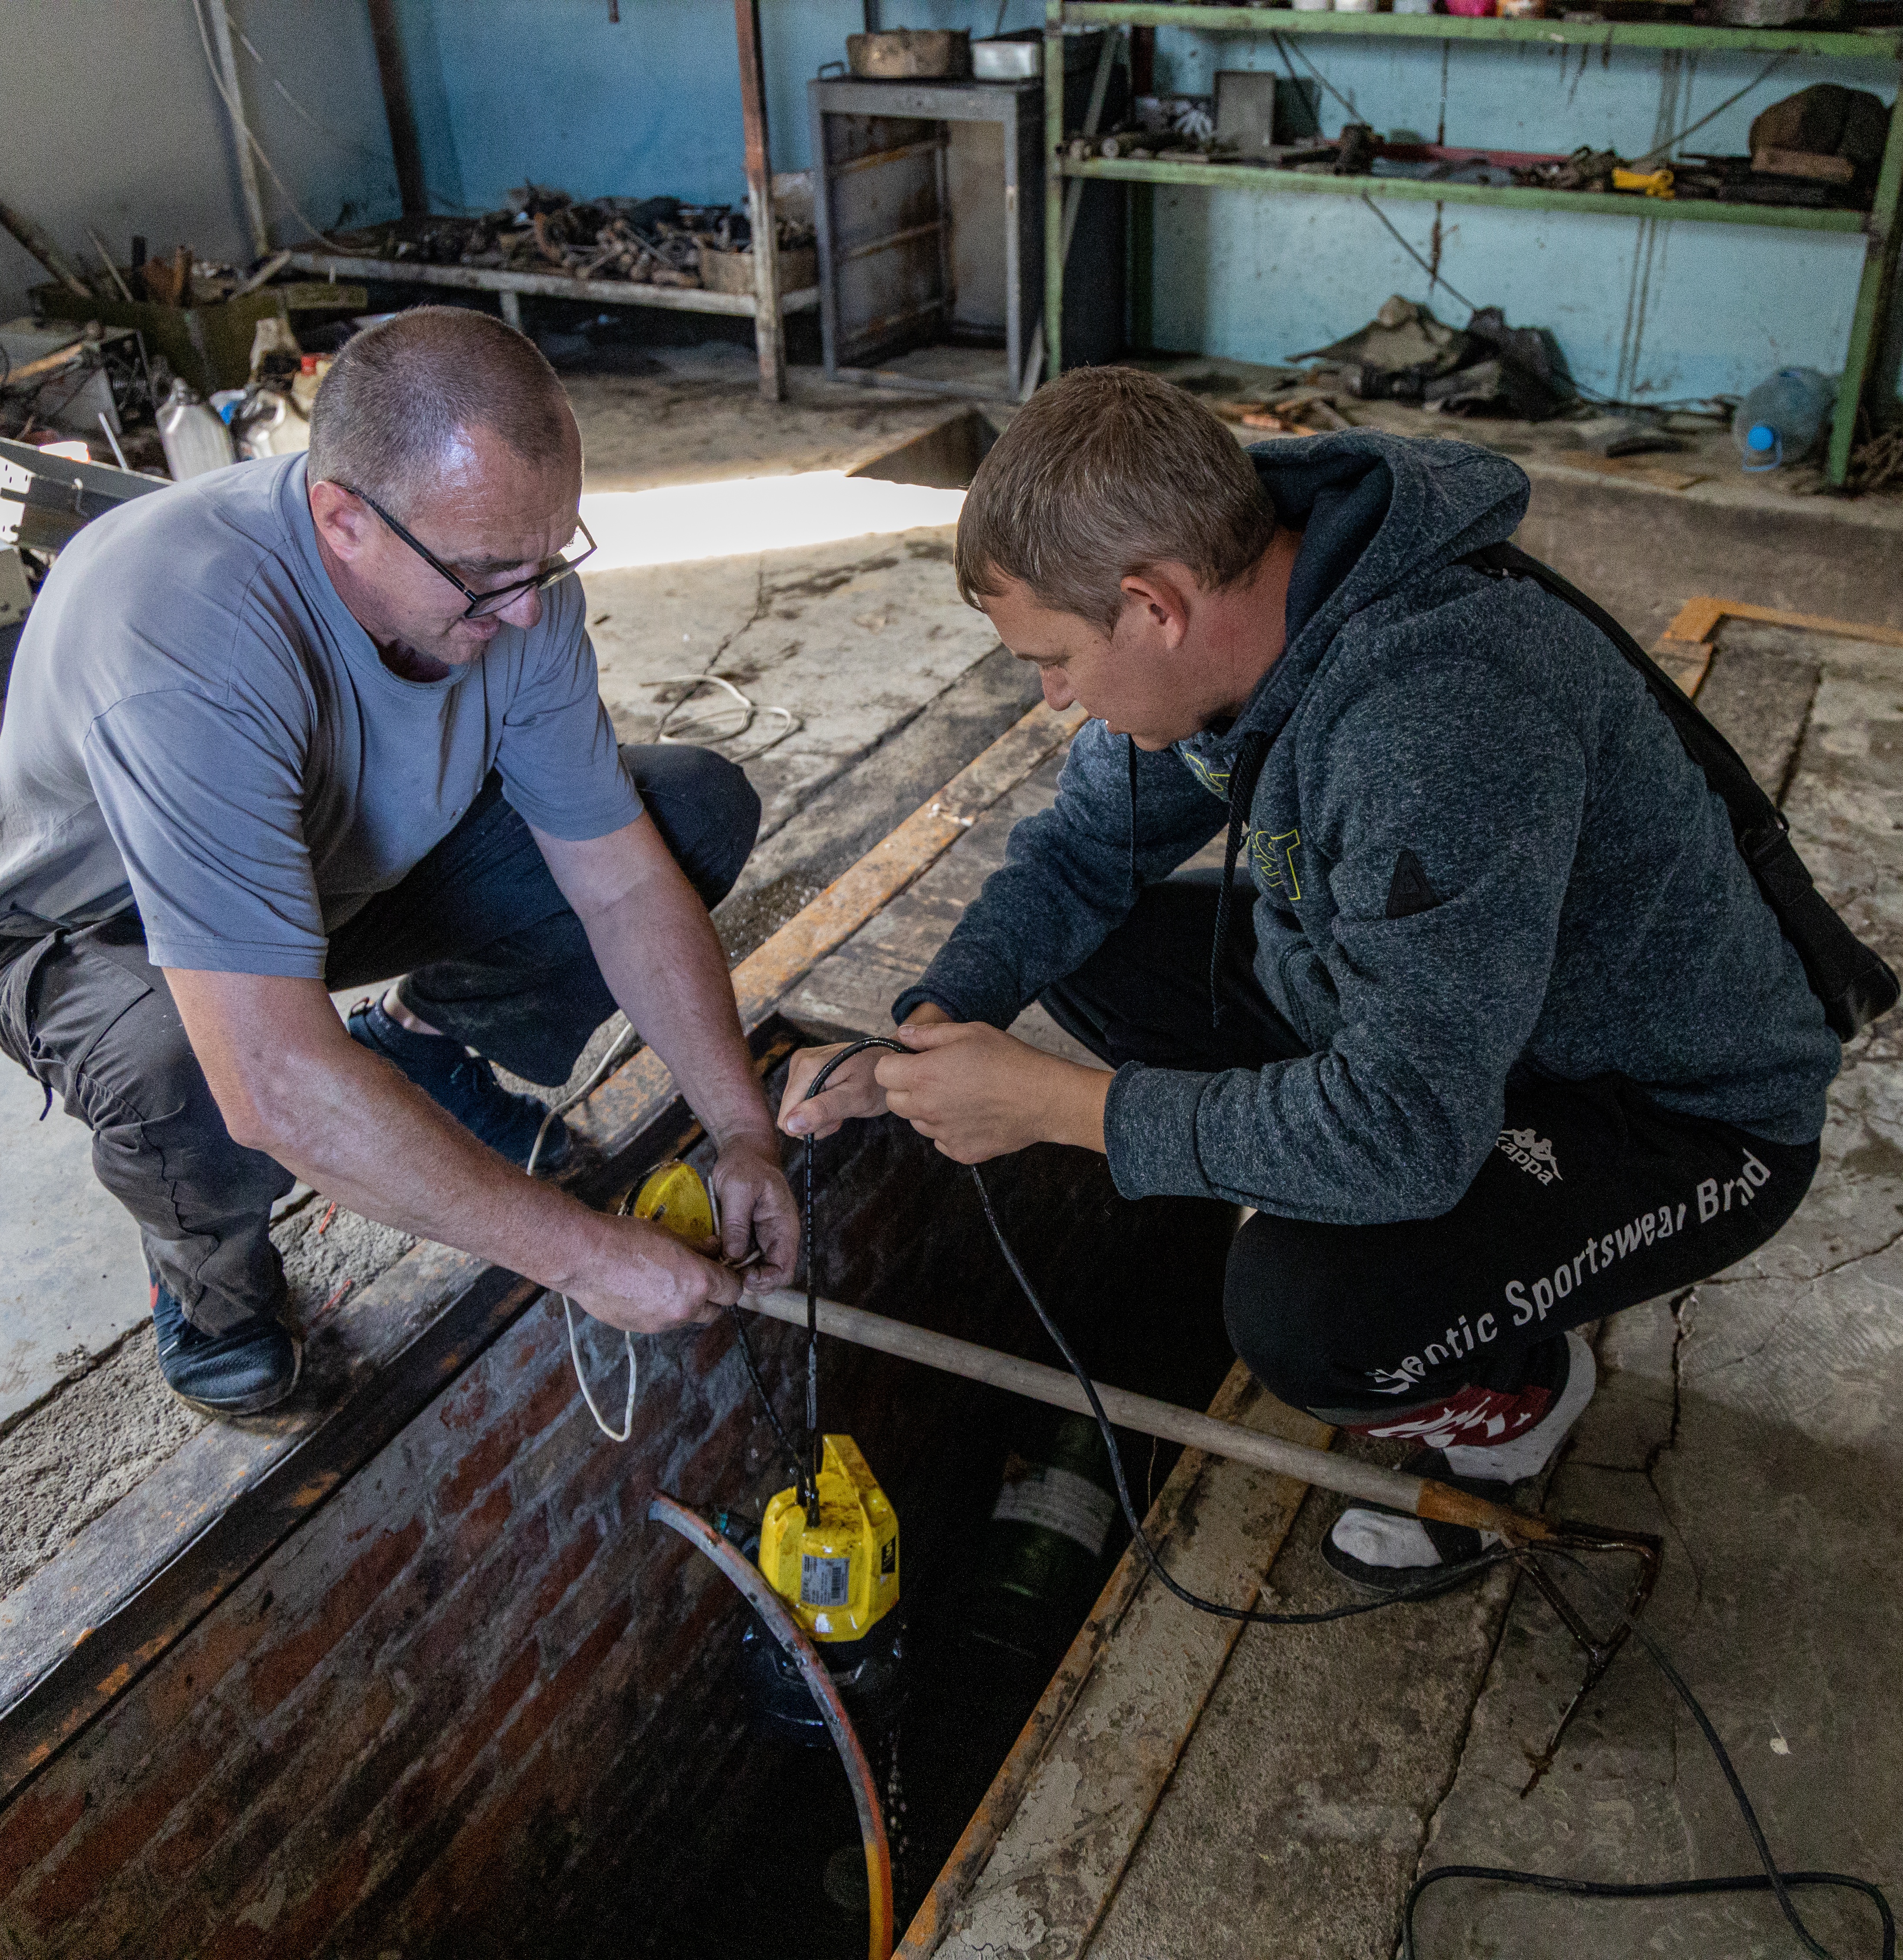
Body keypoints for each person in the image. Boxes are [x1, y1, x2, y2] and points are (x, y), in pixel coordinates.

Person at [779, 367, 1840, 1586]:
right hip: (1472, 1019)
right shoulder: (1269, 601)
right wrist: (936, 1021)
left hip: (1669, 1114)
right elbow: (1080, 852)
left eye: (1055, 658)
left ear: (1153, 605)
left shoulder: (1437, 717)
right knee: (1103, 955)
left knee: (1305, 1317)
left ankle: (1520, 1392)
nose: (1053, 695)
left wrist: (1056, 1109)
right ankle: (1367, 1201)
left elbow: (1408, 1134)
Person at [0, 308, 795, 1418]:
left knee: (685, 812)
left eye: (551, 555)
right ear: (341, 519)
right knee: (184, 1062)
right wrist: (581, 1255)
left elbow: (620, 880)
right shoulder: (184, 630)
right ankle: (213, 1286)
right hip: (90, 930)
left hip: (328, 871)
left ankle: (421, 1045)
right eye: (486, 574)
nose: (529, 608)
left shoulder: (512, 589)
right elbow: (272, 1082)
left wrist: (741, 1129)